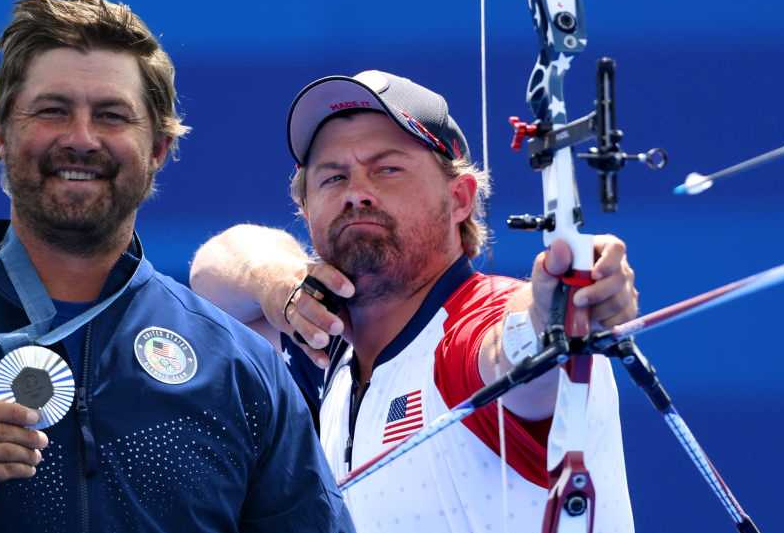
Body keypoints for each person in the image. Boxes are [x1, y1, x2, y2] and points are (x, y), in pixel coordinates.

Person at [0, 0, 354, 533]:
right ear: (1, 133)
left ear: (158, 148)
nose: (81, 139)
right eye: (52, 110)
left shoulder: (238, 367)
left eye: (111, 115)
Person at [190, 70, 637, 532]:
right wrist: (281, 287)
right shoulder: (325, 347)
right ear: (305, 209)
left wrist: (555, 310)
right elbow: (212, 270)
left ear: (459, 199)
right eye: (333, 177)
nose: (356, 194)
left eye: (387, 169)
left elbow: (514, 348)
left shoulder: (467, 330)